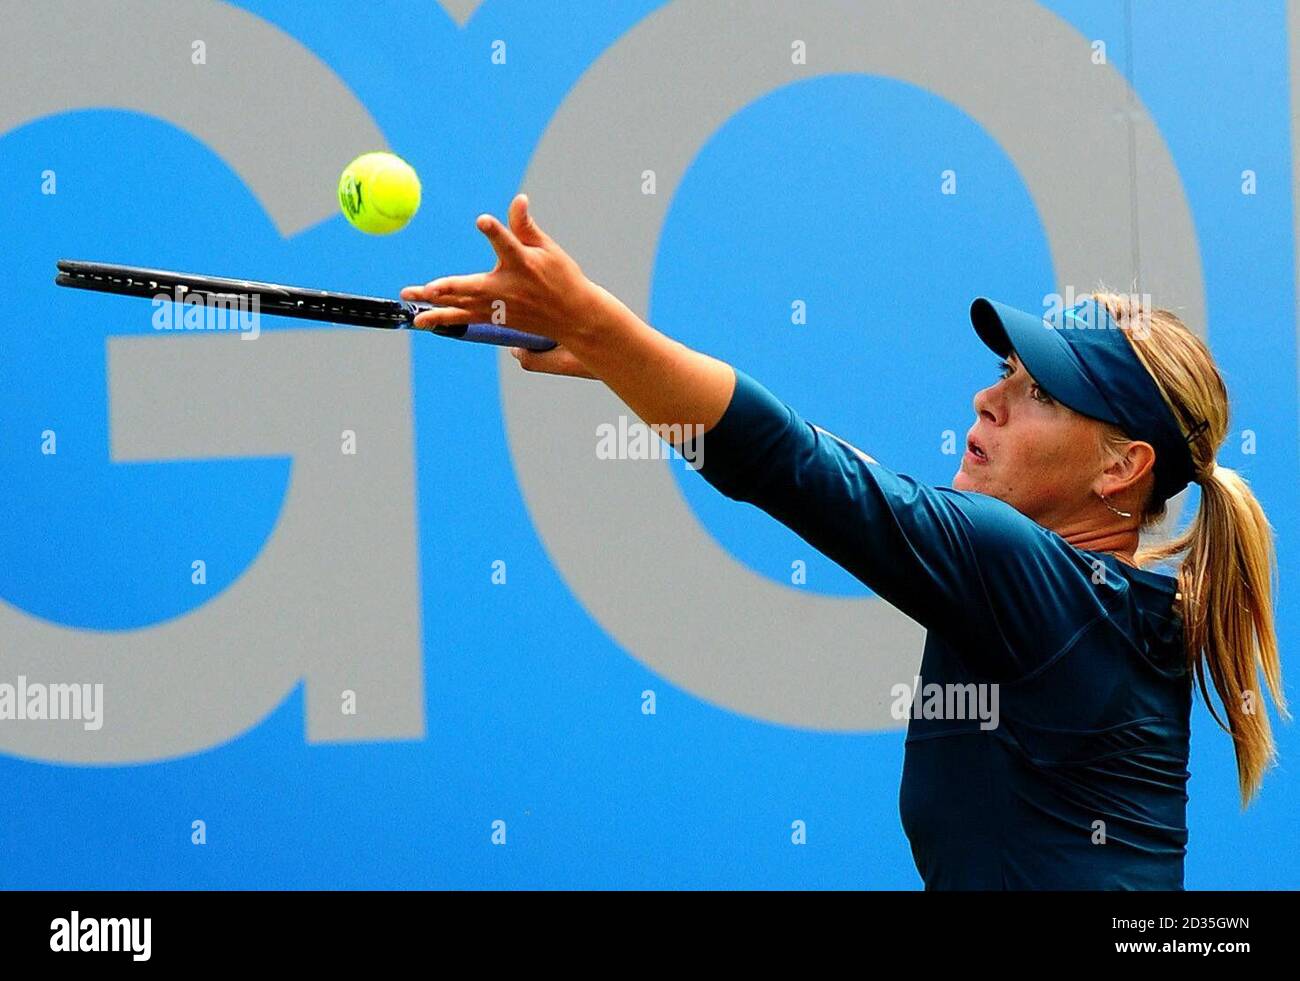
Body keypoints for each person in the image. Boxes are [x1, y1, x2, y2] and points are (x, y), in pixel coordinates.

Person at [402, 194, 1289, 889]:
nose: (991, 402)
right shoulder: (1117, 608)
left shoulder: (1030, 578)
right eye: (1004, 376)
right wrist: (622, 361)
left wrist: (604, 329)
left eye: (1043, 396)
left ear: (1120, 469)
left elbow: (792, 463)